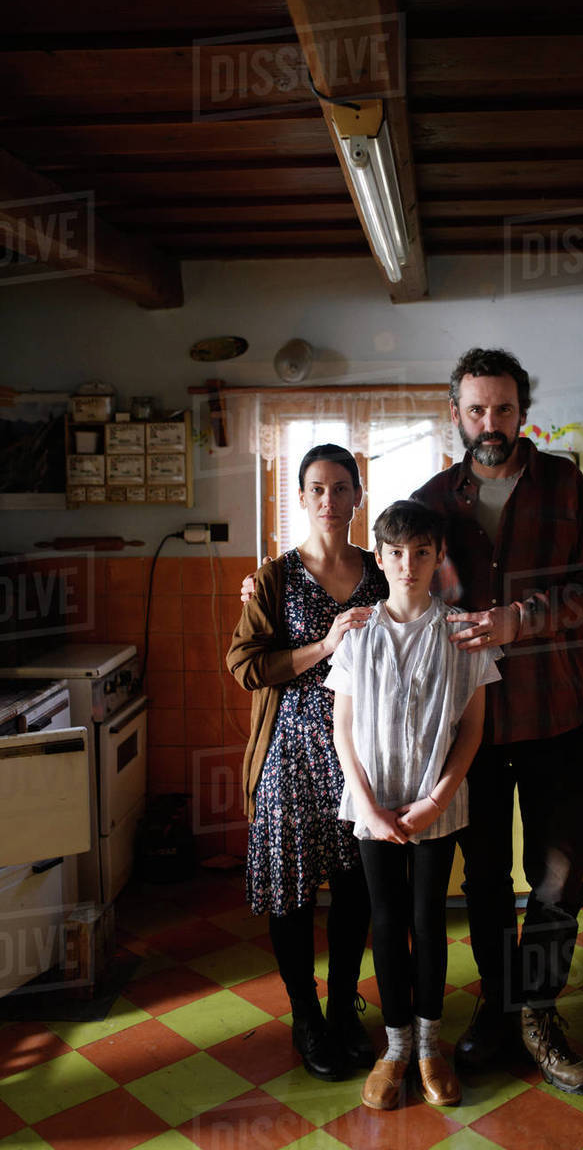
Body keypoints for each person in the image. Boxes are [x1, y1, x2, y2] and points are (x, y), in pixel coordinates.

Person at [411, 348, 583, 1095]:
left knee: (557, 876)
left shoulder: (566, 484)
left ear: (522, 411)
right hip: (470, 726)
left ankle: (539, 1011)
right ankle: (498, 1012)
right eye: (476, 410)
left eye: (503, 409)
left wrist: (524, 619)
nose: (491, 424)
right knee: (484, 885)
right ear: (456, 414)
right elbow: (402, 591)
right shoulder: (434, 500)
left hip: (556, 714)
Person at [325, 500, 501, 1111]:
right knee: (386, 921)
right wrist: (369, 809)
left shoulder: (461, 631)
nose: (409, 564)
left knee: (429, 923)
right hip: (371, 806)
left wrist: (435, 800)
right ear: (380, 557)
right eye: (396, 553)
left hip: (436, 806)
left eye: (421, 552)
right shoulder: (357, 631)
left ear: (438, 556)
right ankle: (395, 1046)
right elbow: (343, 729)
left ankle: (430, 1044)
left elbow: (472, 730)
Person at [226, 444, 388, 1082]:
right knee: (292, 894)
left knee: (356, 889)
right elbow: (245, 665)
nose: (329, 500)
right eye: (316, 488)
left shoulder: (381, 572)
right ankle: (304, 1015)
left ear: (357, 497)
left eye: (341, 487)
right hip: (289, 755)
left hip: (360, 757)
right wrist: (326, 643)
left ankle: (344, 1004)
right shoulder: (273, 577)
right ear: (301, 498)